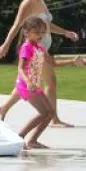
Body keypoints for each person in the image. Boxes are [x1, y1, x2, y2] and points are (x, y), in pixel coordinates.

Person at [0, 0, 81, 127]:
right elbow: (17, 24)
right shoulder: (28, 3)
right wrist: (6, 43)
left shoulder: (41, 2)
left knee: (30, 82)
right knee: (50, 82)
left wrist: (65, 32)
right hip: (35, 50)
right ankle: (53, 119)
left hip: (42, 48)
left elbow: (47, 25)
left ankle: (4, 107)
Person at [15, 17, 59, 150]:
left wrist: (73, 61)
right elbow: (21, 68)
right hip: (26, 85)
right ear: (26, 33)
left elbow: (53, 63)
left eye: (42, 32)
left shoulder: (40, 48)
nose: (40, 35)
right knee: (43, 113)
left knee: (50, 112)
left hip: (34, 86)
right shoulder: (26, 47)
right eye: (37, 32)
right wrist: (28, 81)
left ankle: (33, 140)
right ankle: (19, 137)